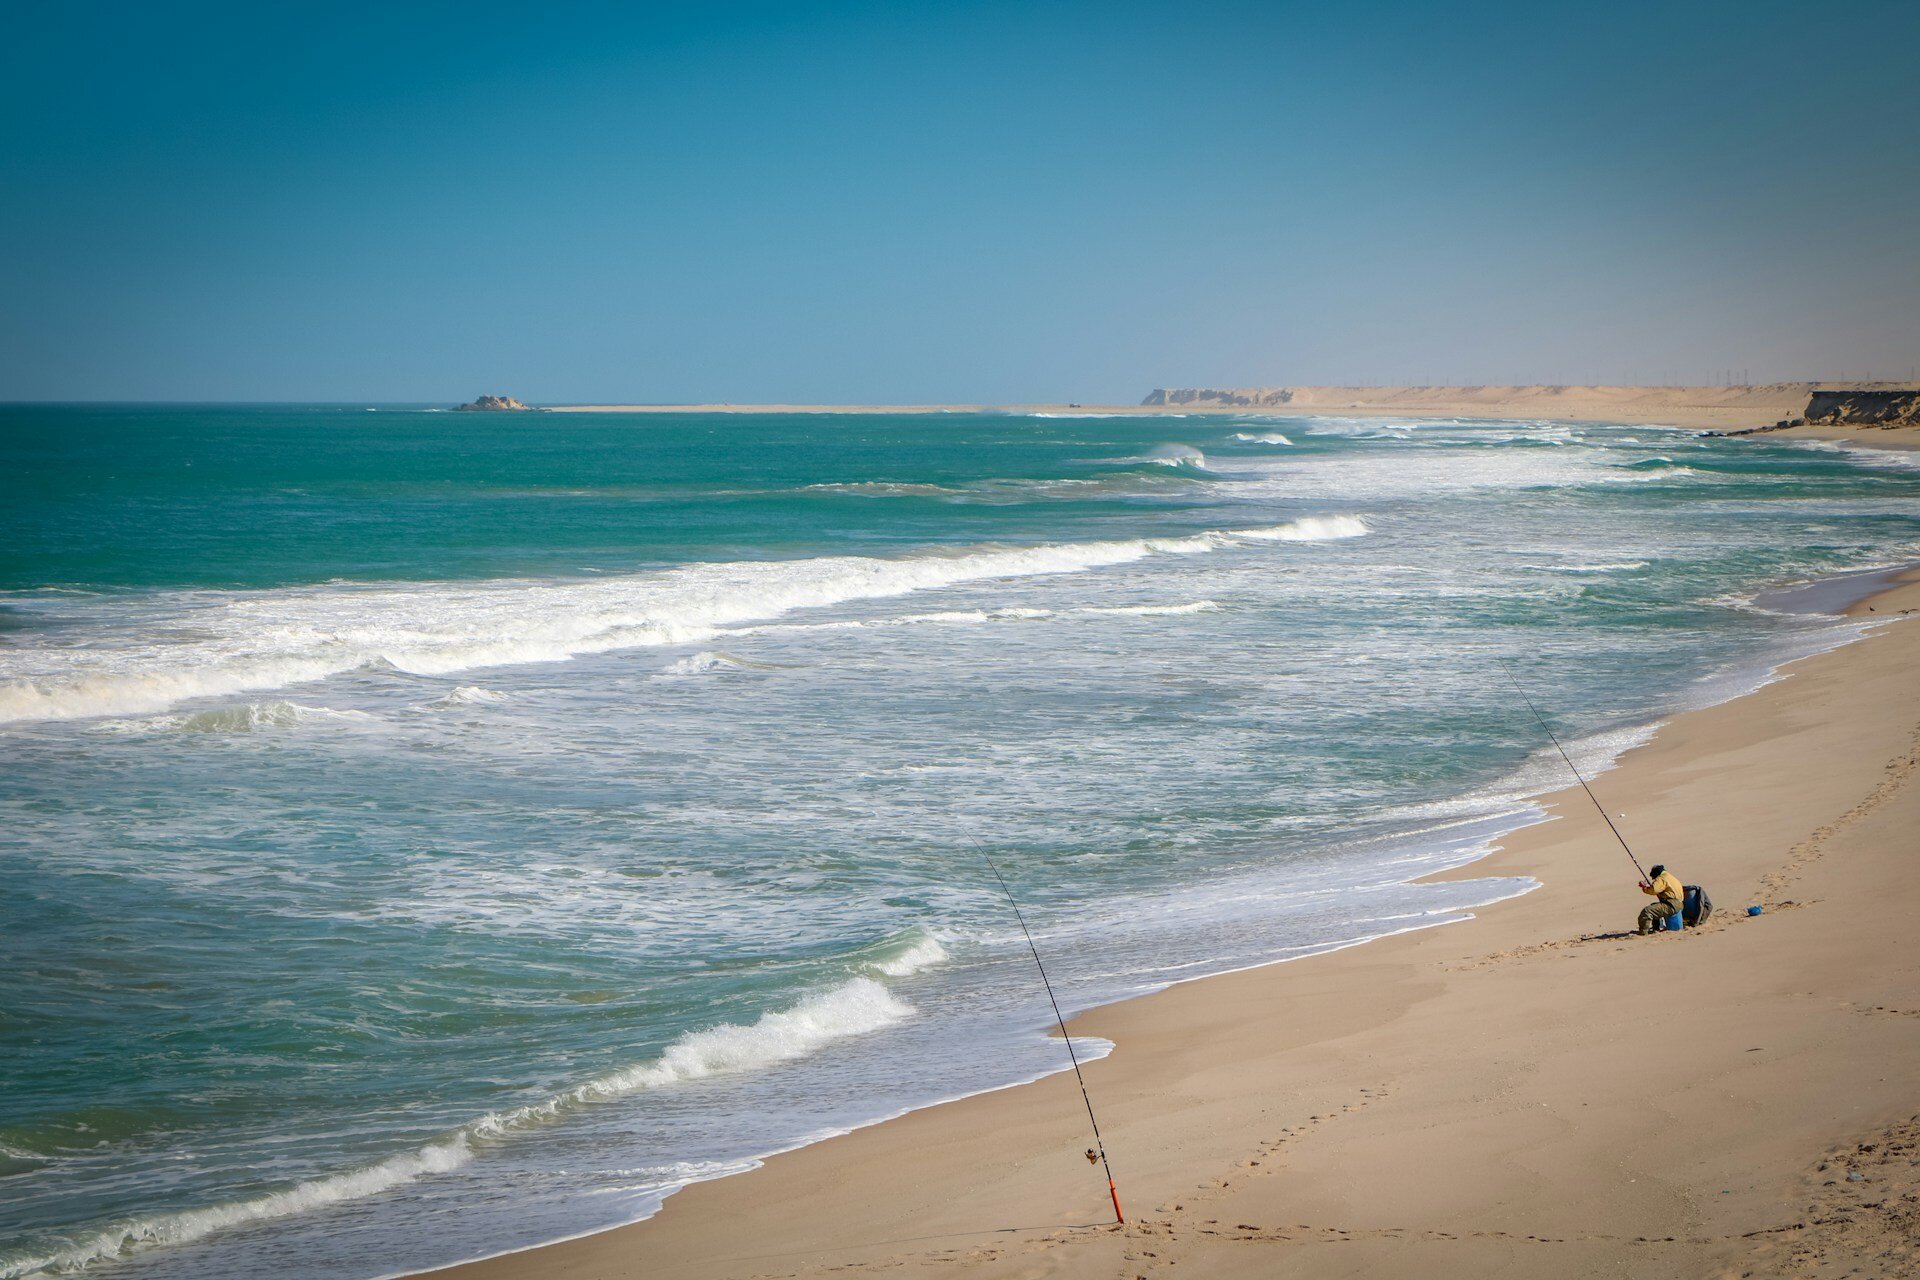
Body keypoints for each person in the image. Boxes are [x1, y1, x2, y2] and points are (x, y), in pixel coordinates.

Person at [1637, 864, 1684, 934]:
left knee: (1647, 911)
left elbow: (1654, 890)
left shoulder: (1661, 878)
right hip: (1678, 904)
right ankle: (1656, 929)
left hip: (1671, 905)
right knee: (1654, 907)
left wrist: (1644, 887)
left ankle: (1643, 933)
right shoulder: (1669, 876)